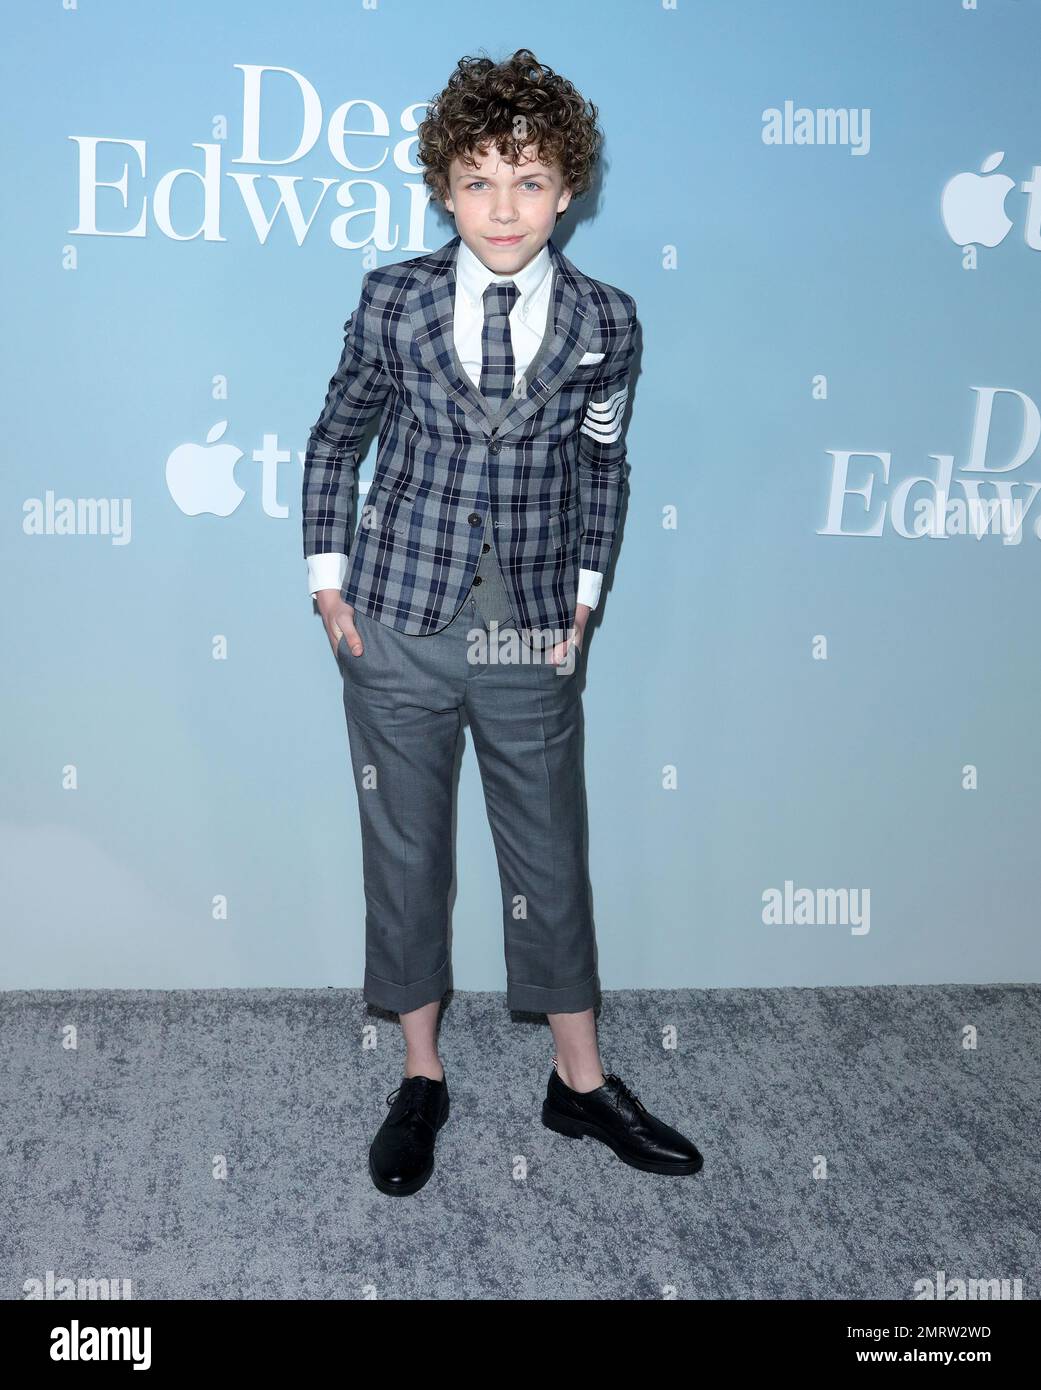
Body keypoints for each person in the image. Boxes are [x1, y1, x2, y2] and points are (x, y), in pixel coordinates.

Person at [301, 48, 703, 1196]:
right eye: (479, 180)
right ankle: (421, 1077)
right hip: (397, 619)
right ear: (444, 189)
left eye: (528, 180)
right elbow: (338, 438)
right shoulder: (395, 297)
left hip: (529, 625)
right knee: (409, 854)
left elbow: (606, 467)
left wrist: (583, 598)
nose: (505, 206)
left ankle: (579, 1084)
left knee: (549, 857)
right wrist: (329, 582)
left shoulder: (606, 320)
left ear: (568, 186)